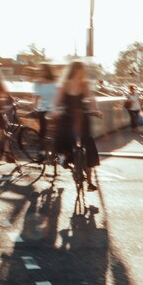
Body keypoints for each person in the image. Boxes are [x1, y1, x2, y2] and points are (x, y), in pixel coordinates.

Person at [52, 60, 102, 191]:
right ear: (74, 71)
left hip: (82, 117)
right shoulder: (65, 85)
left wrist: (95, 109)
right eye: (80, 70)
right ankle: (63, 158)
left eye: (82, 71)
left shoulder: (84, 84)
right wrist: (54, 110)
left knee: (88, 146)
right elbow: (57, 101)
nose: (81, 73)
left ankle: (90, 182)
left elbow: (91, 98)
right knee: (62, 138)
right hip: (67, 117)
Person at [32, 64, 58, 143]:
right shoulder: (37, 83)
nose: (40, 72)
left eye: (42, 70)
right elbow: (36, 97)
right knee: (43, 129)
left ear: (47, 71)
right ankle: (41, 150)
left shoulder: (55, 81)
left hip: (54, 109)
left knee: (58, 131)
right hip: (43, 109)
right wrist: (34, 108)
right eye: (39, 70)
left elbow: (59, 95)